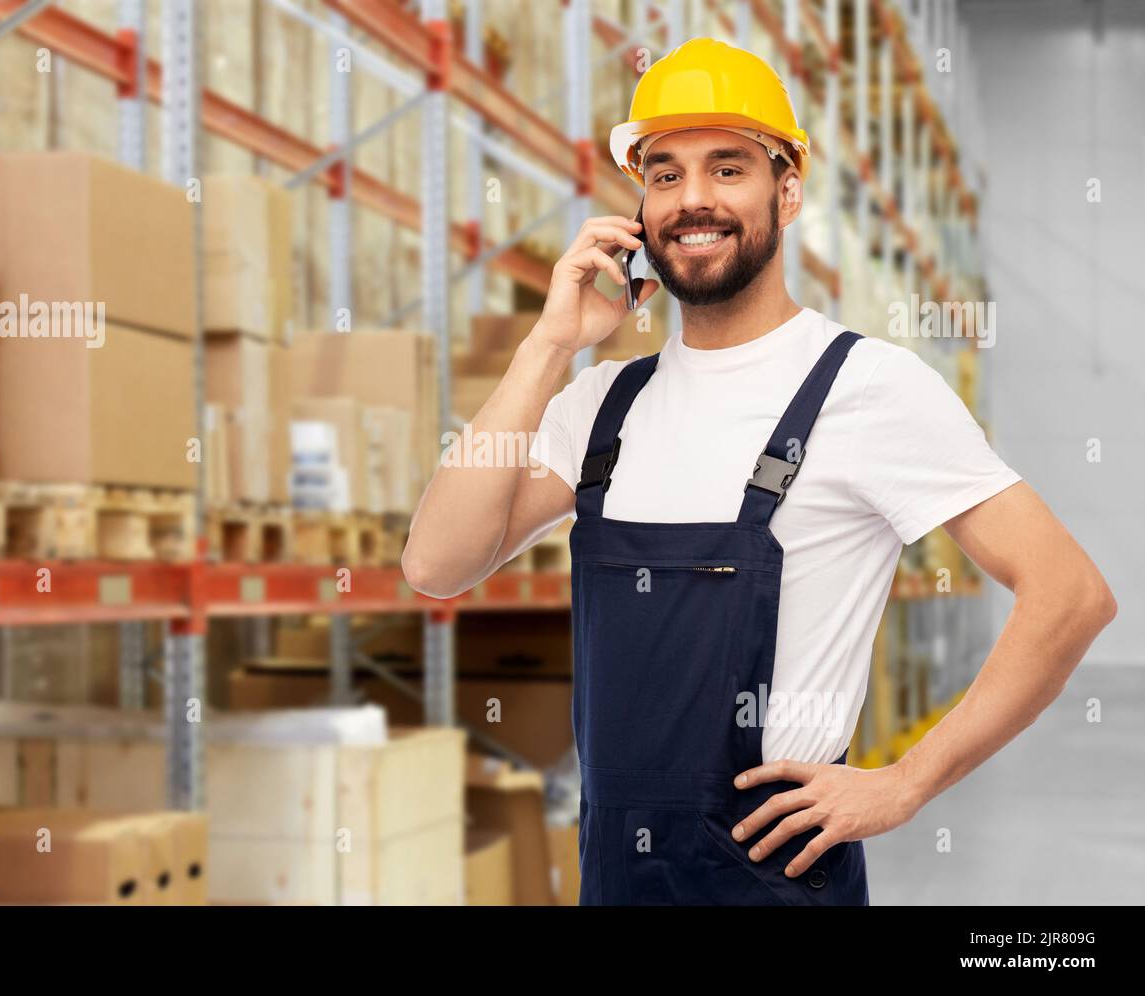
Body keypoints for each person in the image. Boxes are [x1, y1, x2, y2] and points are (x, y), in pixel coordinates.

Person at [401, 38, 1115, 905]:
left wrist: (906, 783)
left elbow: (1070, 594)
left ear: (788, 189)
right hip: (615, 878)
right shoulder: (603, 404)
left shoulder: (867, 388)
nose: (693, 199)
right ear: (638, 207)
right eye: (664, 174)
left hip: (776, 884)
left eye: (727, 167)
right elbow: (436, 565)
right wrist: (549, 344)